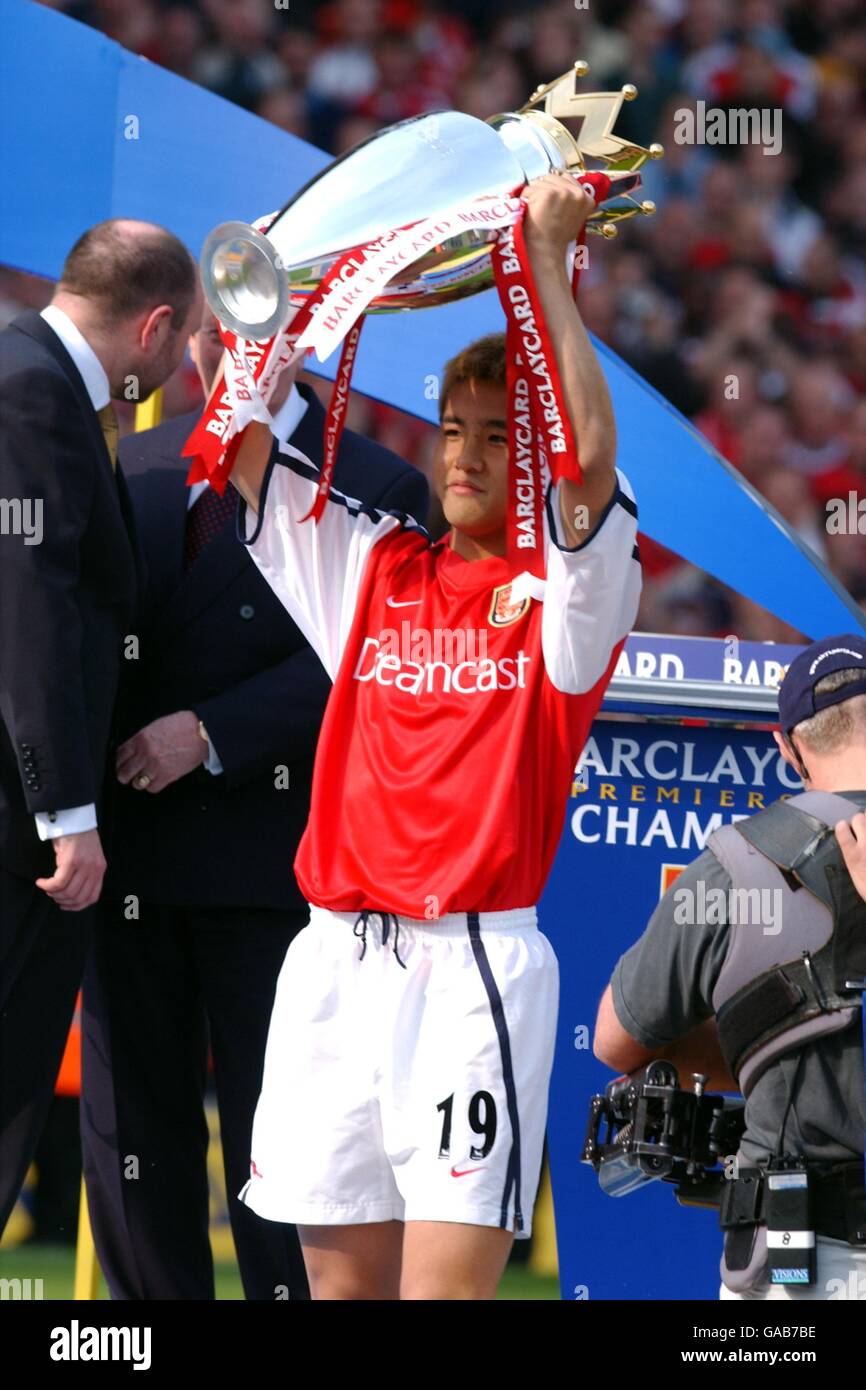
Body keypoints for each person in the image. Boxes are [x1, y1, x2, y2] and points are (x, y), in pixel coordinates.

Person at [227, 175, 642, 1300]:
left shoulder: (568, 602)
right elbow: (247, 451)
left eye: (497, 437)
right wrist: (272, 298)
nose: (461, 455)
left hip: (469, 971)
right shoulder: (371, 563)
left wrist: (545, 272)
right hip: (327, 961)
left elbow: (590, 465)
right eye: (452, 431)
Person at [80, 306, 428, 1301]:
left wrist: (213, 729)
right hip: (128, 863)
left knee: (282, 1138)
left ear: (296, 344)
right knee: (132, 1133)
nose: (224, 354)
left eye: (250, 334)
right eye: (207, 331)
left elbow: (369, 664)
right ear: (184, 339)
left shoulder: (374, 484)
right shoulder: (134, 464)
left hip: (272, 869)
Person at [0, 219, 200, 1236]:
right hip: (19, 825)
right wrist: (65, 810)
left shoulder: (23, 369)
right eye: (184, 342)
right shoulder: (30, 387)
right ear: (156, 326)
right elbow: (29, 607)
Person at [594, 634, 866, 1301]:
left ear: (787, 747)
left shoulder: (734, 867)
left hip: (800, 1257)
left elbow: (616, 1040)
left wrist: (757, 1047)